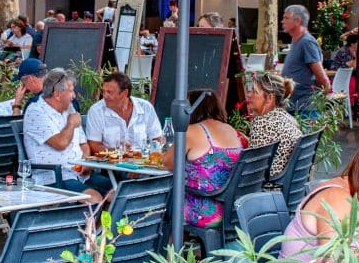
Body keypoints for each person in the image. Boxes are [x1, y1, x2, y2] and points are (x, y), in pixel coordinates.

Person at [161, 89, 242, 229]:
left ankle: (168, 243)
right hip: (232, 209)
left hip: (203, 210)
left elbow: (167, 164)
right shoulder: (230, 129)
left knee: (160, 206)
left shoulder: (191, 131)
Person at [22, 68, 108, 200]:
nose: (74, 96)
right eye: (71, 91)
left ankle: (106, 214)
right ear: (57, 94)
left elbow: (84, 144)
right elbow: (60, 143)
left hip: (80, 174)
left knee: (119, 193)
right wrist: (71, 123)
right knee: (94, 199)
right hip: (55, 178)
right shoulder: (36, 112)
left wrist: (85, 162)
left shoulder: (69, 109)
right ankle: (94, 215)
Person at [86, 71, 163, 154]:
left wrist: (152, 153)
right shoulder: (96, 111)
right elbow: (93, 145)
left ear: (125, 93)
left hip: (143, 160)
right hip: (111, 161)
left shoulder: (146, 107)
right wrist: (118, 151)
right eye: (103, 91)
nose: (105, 96)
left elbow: (157, 138)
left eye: (109, 92)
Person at [245, 71, 302, 180]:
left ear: (269, 98)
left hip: (268, 185)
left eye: (255, 92)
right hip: (286, 181)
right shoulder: (288, 118)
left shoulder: (262, 123)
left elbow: (252, 168)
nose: (249, 95)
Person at [280, 5, 331, 114]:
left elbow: (322, 78)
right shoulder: (296, 41)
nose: (282, 21)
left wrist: (320, 102)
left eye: (286, 18)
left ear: (297, 21)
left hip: (305, 110)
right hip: (294, 107)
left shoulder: (306, 42)